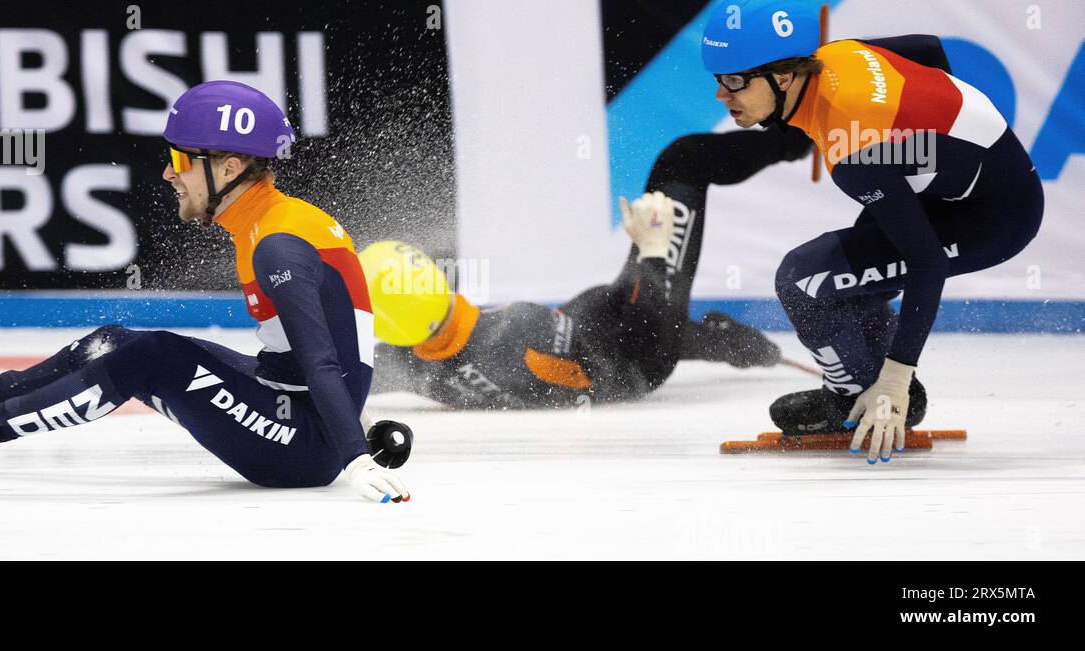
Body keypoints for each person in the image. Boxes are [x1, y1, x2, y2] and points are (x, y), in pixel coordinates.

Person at [0, 80, 411, 503]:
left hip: (303, 446)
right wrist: (361, 423)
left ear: (230, 169)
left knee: (154, 356)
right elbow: (346, 342)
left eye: (180, 158)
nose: (169, 172)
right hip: (294, 403)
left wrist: (354, 456)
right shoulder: (270, 221)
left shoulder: (276, 245)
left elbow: (323, 358)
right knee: (113, 341)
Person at [701, 0, 1042, 462]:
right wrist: (937, 138)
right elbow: (929, 50)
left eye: (735, 80)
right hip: (954, 186)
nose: (722, 95)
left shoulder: (854, 149)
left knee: (805, 279)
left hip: (995, 217)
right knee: (850, 270)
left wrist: (895, 381)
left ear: (783, 77)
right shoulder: (839, 54)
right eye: (719, 79)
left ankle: (861, 398)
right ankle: (873, 379)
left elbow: (928, 262)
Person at [364, 127, 813, 410]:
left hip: (613, 334)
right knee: (685, 160)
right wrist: (652, 254)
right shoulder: (512, 337)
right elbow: (633, 344)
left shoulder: (413, 367)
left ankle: (728, 341)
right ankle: (803, 134)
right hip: (641, 344)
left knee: (622, 319)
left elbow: (348, 374)